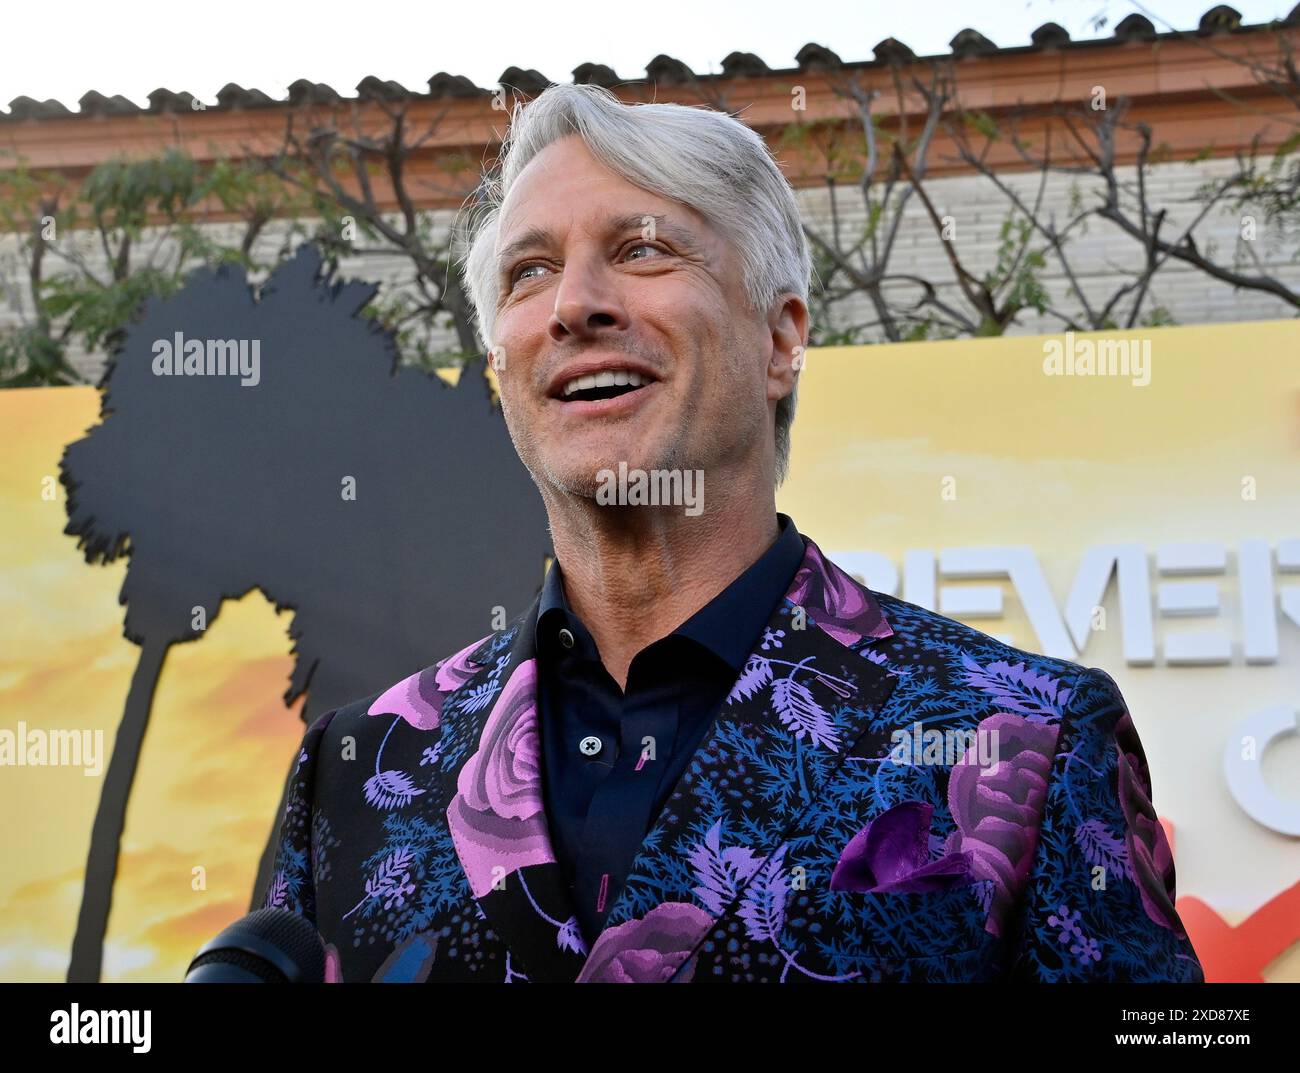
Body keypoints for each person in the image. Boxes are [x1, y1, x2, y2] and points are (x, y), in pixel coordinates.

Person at [261, 82, 1203, 984]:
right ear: (501, 362)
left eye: (641, 250)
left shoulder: (1030, 740)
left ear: (781, 340)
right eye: (529, 270)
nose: (573, 305)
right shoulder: (356, 766)